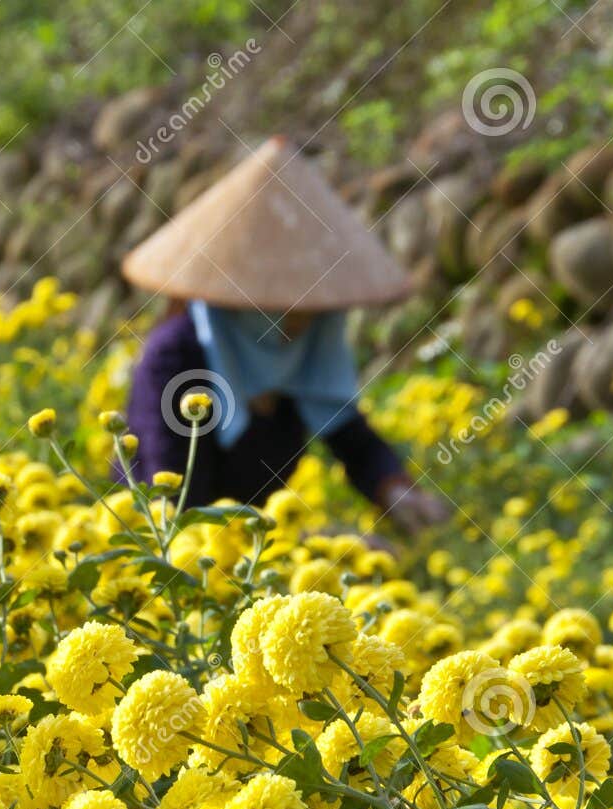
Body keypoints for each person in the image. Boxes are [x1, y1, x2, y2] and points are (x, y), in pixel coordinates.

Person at [118, 137, 449, 534]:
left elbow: (350, 435)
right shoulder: (177, 357)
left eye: (312, 308)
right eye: (284, 308)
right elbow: (178, 508)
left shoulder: (302, 352)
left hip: (250, 562)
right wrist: (310, 542)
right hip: (161, 563)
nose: (301, 323)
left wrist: (396, 493)